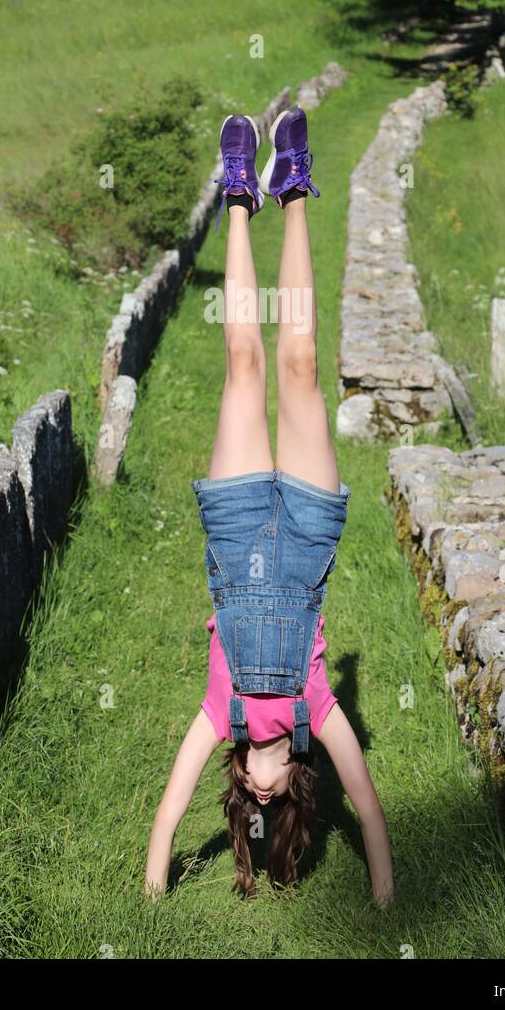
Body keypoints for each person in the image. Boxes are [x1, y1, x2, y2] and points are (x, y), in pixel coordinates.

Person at [145, 106, 394, 904]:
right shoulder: (315, 710)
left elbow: (175, 801)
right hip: (309, 533)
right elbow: (368, 805)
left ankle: (238, 194)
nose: (260, 789)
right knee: (302, 363)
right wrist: (387, 894)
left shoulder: (221, 710)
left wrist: (154, 883)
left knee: (245, 359)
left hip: (241, 525)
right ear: (296, 776)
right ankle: (294, 185)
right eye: (274, 795)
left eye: (252, 795)